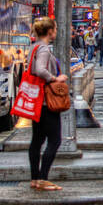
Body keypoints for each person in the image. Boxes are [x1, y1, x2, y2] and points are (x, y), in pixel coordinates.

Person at [26, 17, 66, 192]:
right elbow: (40, 70)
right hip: (45, 102)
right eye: (55, 29)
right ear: (50, 32)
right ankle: (43, 178)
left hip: (37, 101)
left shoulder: (33, 47)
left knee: (37, 140)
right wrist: (56, 78)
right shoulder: (43, 48)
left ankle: (35, 178)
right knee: (55, 140)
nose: (56, 32)